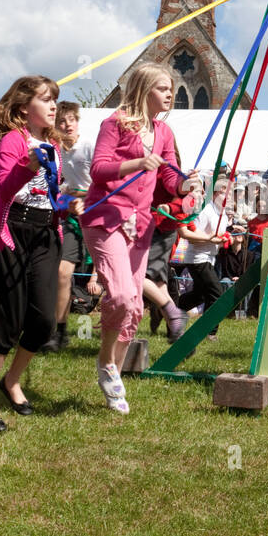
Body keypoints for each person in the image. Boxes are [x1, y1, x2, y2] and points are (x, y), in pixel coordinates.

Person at [82, 63, 198, 414]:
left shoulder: (162, 131)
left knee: (133, 304)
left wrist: (184, 183)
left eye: (172, 89)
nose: (170, 94)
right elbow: (98, 168)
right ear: (145, 89)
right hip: (107, 219)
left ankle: (113, 375)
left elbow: (168, 171)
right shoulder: (115, 123)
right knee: (118, 295)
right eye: (163, 88)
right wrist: (135, 164)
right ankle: (105, 363)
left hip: (141, 225)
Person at [0, 75, 77, 431]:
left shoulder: (54, 146)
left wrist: (68, 206)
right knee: (9, 318)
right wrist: (27, 164)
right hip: (11, 230)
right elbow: (6, 190)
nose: (53, 107)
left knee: (44, 320)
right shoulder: (12, 141)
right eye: (46, 100)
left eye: (55, 100)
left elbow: (48, 194)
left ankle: (11, 380)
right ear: (23, 107)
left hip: (46, 234)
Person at [42, 100, 98, 352]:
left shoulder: (90, 147)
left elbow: (105, 185)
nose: (67, 125)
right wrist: (69, 198)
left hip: (99, 214)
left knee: (110, 275)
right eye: (62, 122)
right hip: (73, 218)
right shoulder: (56, 152)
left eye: (71, 120)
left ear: (78, 121)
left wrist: (82, 195)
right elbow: (55, 195)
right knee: (63, 273)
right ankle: (59, 332)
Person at [175, 175, 232, 338]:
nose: (228, 196)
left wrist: (225, 239)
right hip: (197, 258)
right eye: (224, 191)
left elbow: (216, 238)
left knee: (199, 295)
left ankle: (171, 310)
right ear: (215, 193)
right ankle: (209, 332)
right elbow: (191, 235)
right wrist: (211, 238)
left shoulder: (223, 215)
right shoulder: (205, 211)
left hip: (209, 258)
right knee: (217, 293)